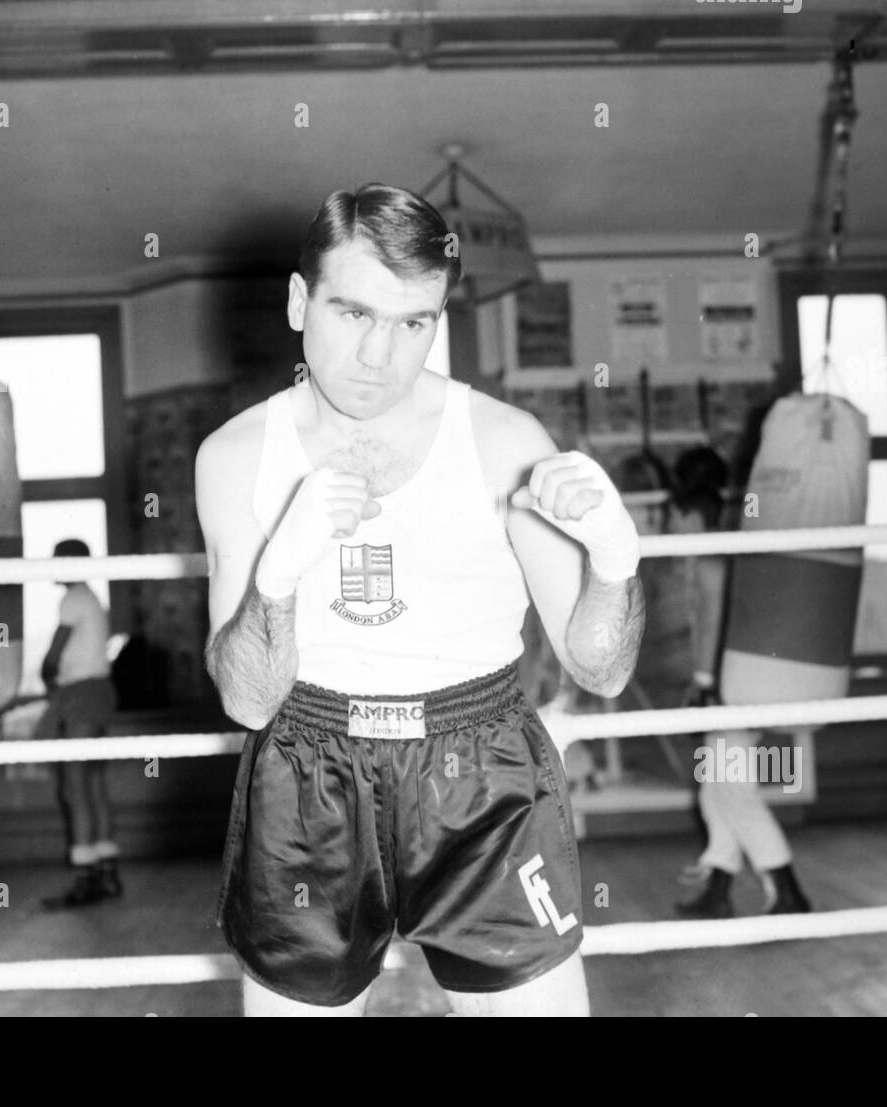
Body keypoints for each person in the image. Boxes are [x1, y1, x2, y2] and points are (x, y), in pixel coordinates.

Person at [198, 183, 645, 1016]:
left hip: (482, 774)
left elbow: (604, 668)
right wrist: (277, 579)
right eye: (354, 314)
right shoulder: (236, 457)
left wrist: (617, 561)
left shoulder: (506, 444)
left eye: (414, 323)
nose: (381, 356)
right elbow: (249, 701)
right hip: (307, 770)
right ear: (300, 302)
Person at [671, 445, 813, 918]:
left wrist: (706, 684)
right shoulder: (733, 545)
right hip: (748, 678)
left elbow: (712, 623)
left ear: (690, 510)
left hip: (732, 685)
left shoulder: (712, 554)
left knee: (732, 789)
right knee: (716, 787)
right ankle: (718, 889)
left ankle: (788, 892)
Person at [35, 539, 122, 909]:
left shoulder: (72, 600)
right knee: (95, 782)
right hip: (102, 691)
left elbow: (52, 657)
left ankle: (86, 877)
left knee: (75, 786)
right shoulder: (92, 598)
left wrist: (47, 681)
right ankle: (106, 870)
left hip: (80, 694)